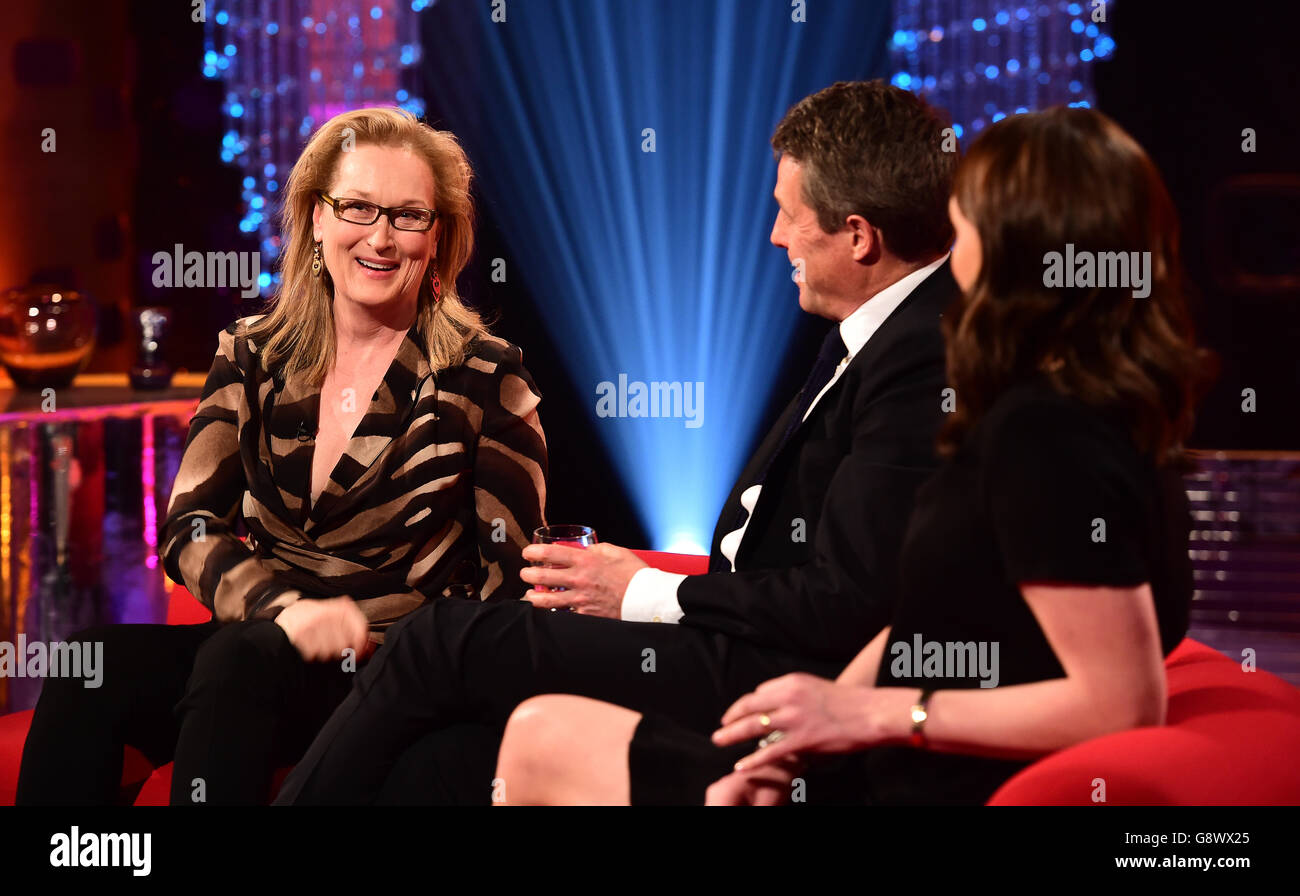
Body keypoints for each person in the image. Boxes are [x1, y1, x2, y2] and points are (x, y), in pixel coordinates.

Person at [493, 105, 1208, 806]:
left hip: (927, 778)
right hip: (872, 751)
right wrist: (801, 735)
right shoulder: (1055, 407)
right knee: (535, 731)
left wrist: (875, 715)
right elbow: (925, 616)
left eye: (964, 227)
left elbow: (1120, 703)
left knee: (537, 736)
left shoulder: (1049, 432)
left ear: (1013, 247)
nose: (951, 253)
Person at [274, 80, 962, 805]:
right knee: (444, 760)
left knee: (438, 638)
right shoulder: (885, 335)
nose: (776, 236)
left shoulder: (923, 355)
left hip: (772, 673)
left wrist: (643, 590)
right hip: (734, 642)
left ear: (858, 236)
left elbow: (848, 599)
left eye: (790, 215)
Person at [16, 107, 547, 806]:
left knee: (243, 655)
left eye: (408, 216)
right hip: (257, 651)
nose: (380, 237)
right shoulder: (253, 352)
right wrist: (281, 606)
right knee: (94, 662)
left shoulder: (486, 375)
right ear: (318, 218)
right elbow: (189, 526)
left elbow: (511, 585)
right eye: (357, 207)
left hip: (391, 675)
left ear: (437, 236)